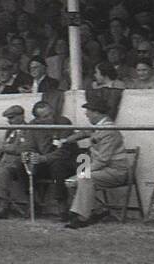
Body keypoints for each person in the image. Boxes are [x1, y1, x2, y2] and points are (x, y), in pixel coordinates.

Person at [63, 97, 131, 229]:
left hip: (116, 171)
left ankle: (82, 217)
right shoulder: (99, 126)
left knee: (83, 178)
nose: (86, 115)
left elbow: (102, 160)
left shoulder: (108, 130)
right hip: (104, 169)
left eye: (88, 112)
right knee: (73, 181)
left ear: (97, 113)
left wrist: (81, 174)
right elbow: (85, 132)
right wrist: (66, 140)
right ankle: (97, 211)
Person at [24, 100, 77, 215]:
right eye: (45, 116)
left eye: (51, 113)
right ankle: (34, 200)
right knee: (22, 164)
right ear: (38, 120)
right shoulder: (32, 126)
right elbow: (29, 146)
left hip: (67, 162)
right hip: (44, 161)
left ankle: (61, 202)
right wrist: (33, 157)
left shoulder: (63, 122)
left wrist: (44, 158)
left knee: (57, 164)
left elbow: (64, 151)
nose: (51, 117)